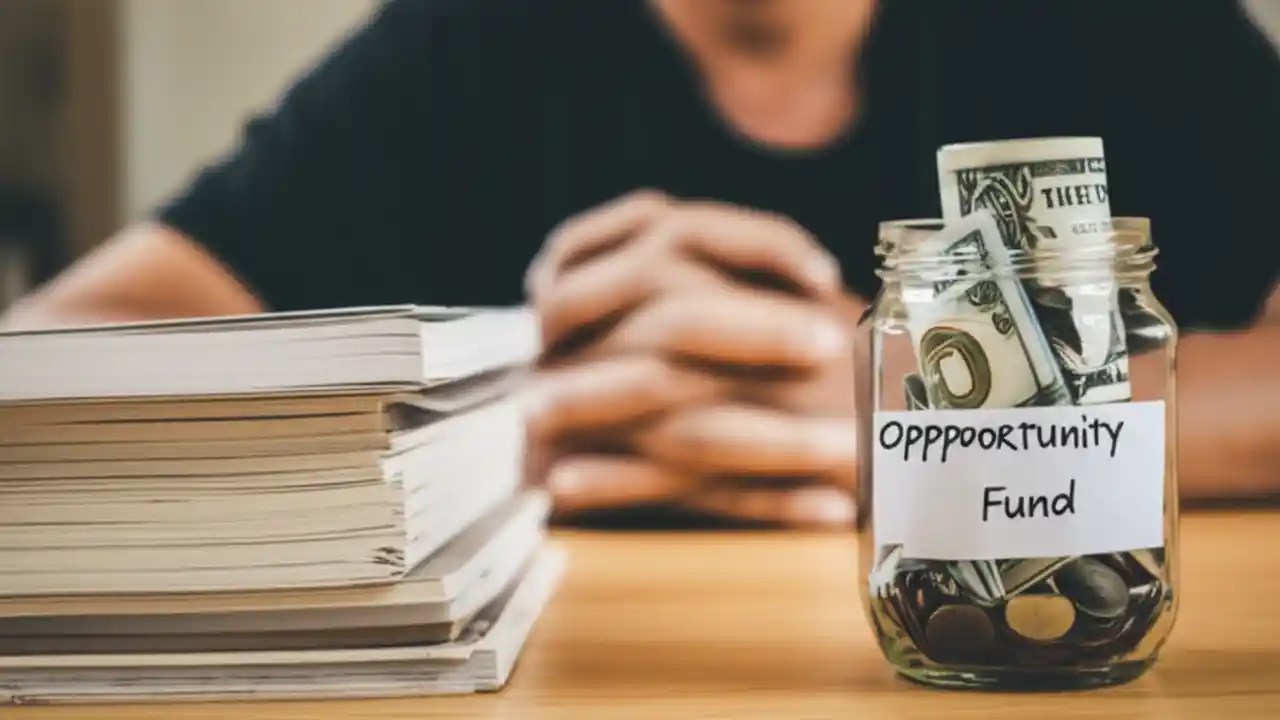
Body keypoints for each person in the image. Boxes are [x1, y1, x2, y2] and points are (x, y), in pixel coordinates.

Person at [4, 1, 1279, 526]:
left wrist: (935, 421)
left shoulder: (1127, 26)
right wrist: (488, 418)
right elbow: (53, 356)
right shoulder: (464, 48)